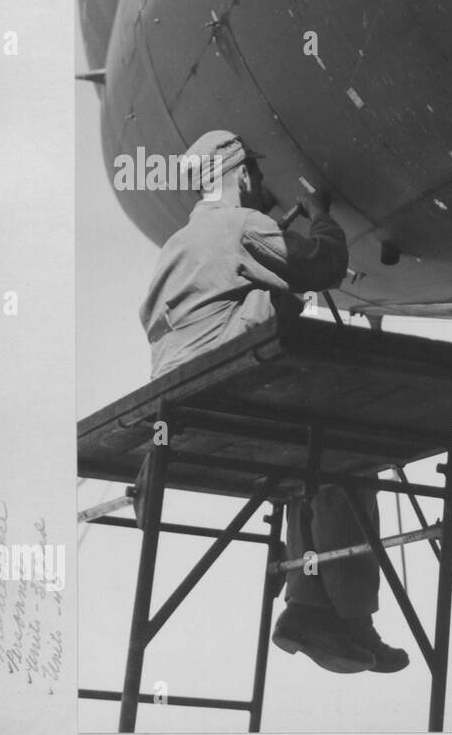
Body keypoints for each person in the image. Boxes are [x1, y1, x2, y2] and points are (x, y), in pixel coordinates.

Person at [138, 129, 409, 676]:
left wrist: (267, 295)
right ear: (238, 174)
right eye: (256, 177)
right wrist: (318, 213)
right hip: (233, 396)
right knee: (348, 454)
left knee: (304, 463)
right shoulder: (242, 224)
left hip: (182, 407)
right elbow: (327, 264)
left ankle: (306, 607)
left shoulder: (176, 245)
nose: (261, 187)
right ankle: (352, 619)